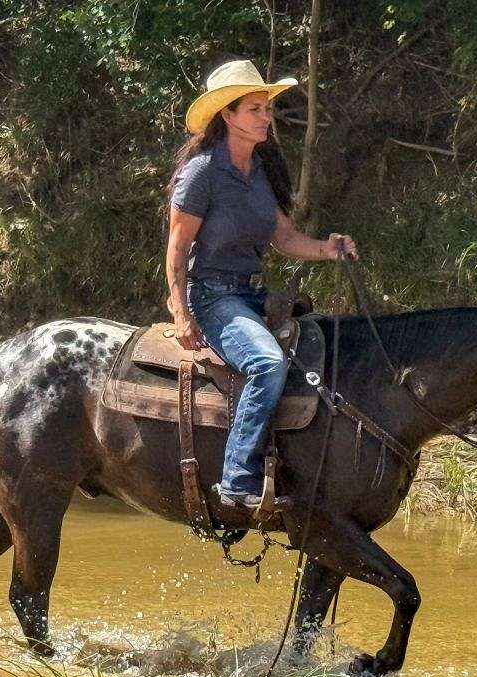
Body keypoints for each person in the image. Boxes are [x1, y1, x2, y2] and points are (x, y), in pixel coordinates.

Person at [165, 59, 357, 515]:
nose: (266, 117)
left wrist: (329, 248)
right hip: (211, 294)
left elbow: (285, 238)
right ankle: (236, 478)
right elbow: (176, 250)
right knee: (268, 362)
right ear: (227, 116)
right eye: (255, 109)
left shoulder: (260, 173)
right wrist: (180, 312)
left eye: (266, 109)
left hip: (250, 292)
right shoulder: (203, 174)